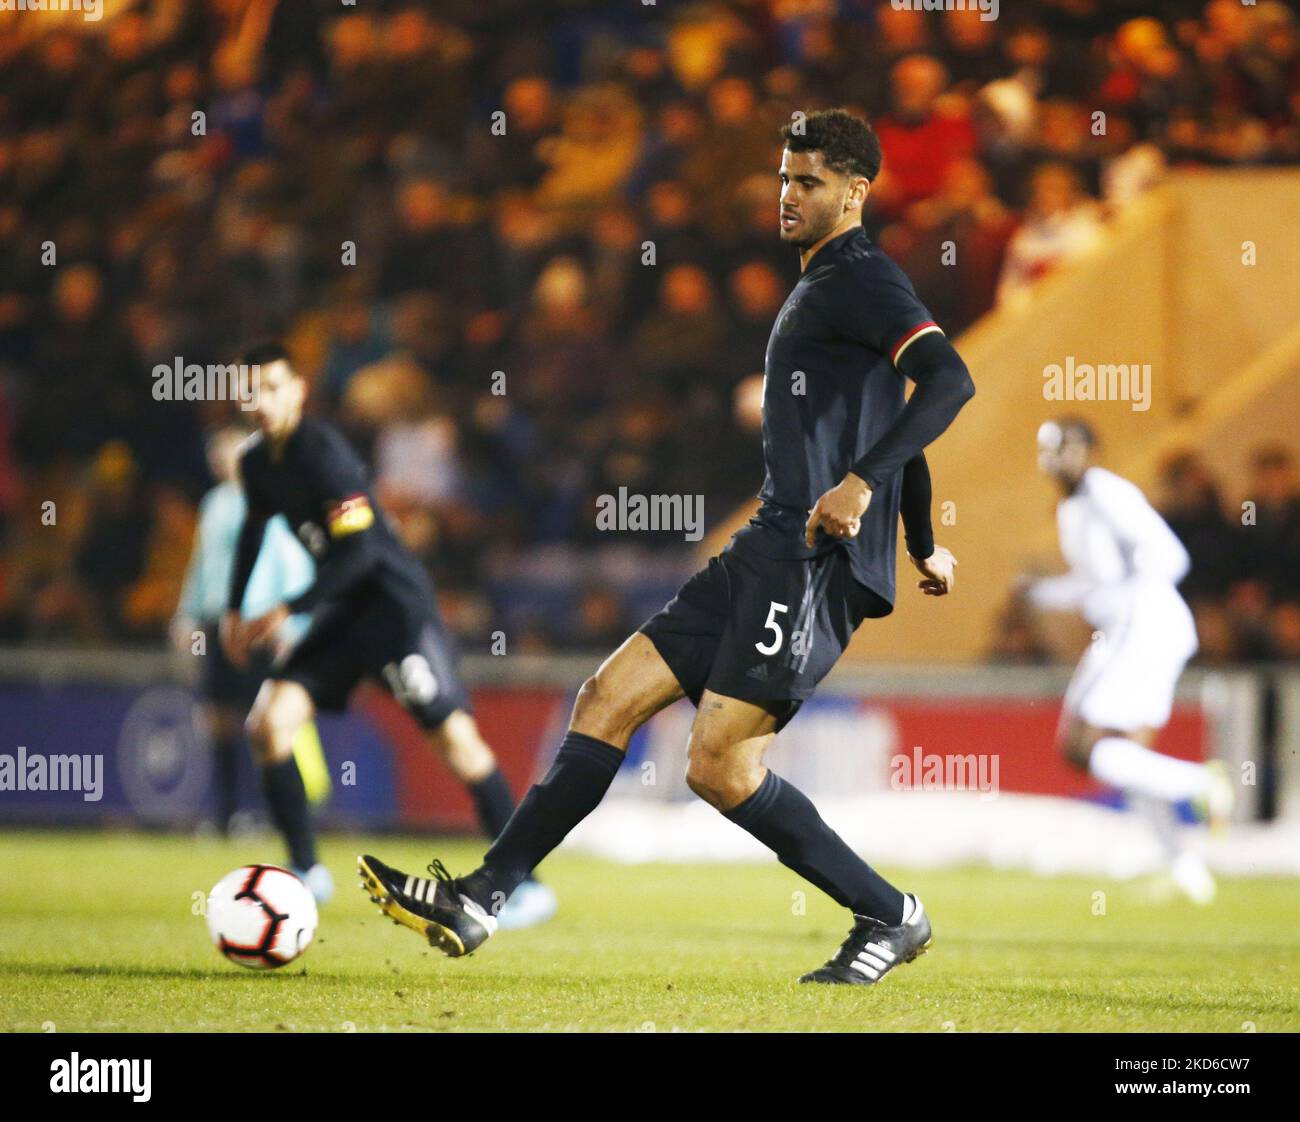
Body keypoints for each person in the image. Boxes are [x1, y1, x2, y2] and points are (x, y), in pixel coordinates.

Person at [360, 109, 975, 985]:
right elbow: (896, 415)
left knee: (720, 768)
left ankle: (889, 914)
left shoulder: (862, 277)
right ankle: (482, 895)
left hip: (812, 565)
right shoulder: (823, 283)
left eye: (809, 182)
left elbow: (950, 379)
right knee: (605, 697)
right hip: (768, 542)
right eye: (785, 177)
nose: (788, 195)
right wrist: (922, 537)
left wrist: (868, 490)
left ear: (855, 192)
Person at [222, 344, 556, 928]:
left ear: (298, 391)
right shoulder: (256, 464)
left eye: (273, 388)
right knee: (268, 727)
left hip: (394, 612)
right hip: (342, 616)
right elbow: (254, 530)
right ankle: (306, 871)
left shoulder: (325, 455)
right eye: (251, 391)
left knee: (458, 745)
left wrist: (284, 609)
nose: (262, 402)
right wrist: (233, 609)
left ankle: (526, 884)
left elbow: (360, 557)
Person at [1023, 418, 1233, 904]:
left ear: (1090, 451)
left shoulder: (1103, 492)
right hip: (1130, 630)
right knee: (1120, 755)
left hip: (1141, 629)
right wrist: (1041, 593)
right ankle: (1185, 870)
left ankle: (1201, 781)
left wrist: (1132, 604)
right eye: (1050, 448)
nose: (1058, 458)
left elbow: (1169, 556)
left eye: (1067, 447)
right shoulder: (1073, 506)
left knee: (1082, 746)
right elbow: (1095, 582)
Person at [172, 426, 332, 895]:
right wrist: (187, 613)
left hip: (263, 625)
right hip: (223, 624)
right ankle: (226, 812)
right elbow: (202, 562)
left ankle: (265, 816)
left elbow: (294, 561)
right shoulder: (216, 503)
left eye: (232, 453)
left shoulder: (274, 499)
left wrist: (292, 624)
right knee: (217, 720)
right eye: (218, 454)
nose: (224, 461)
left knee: (262, 723)